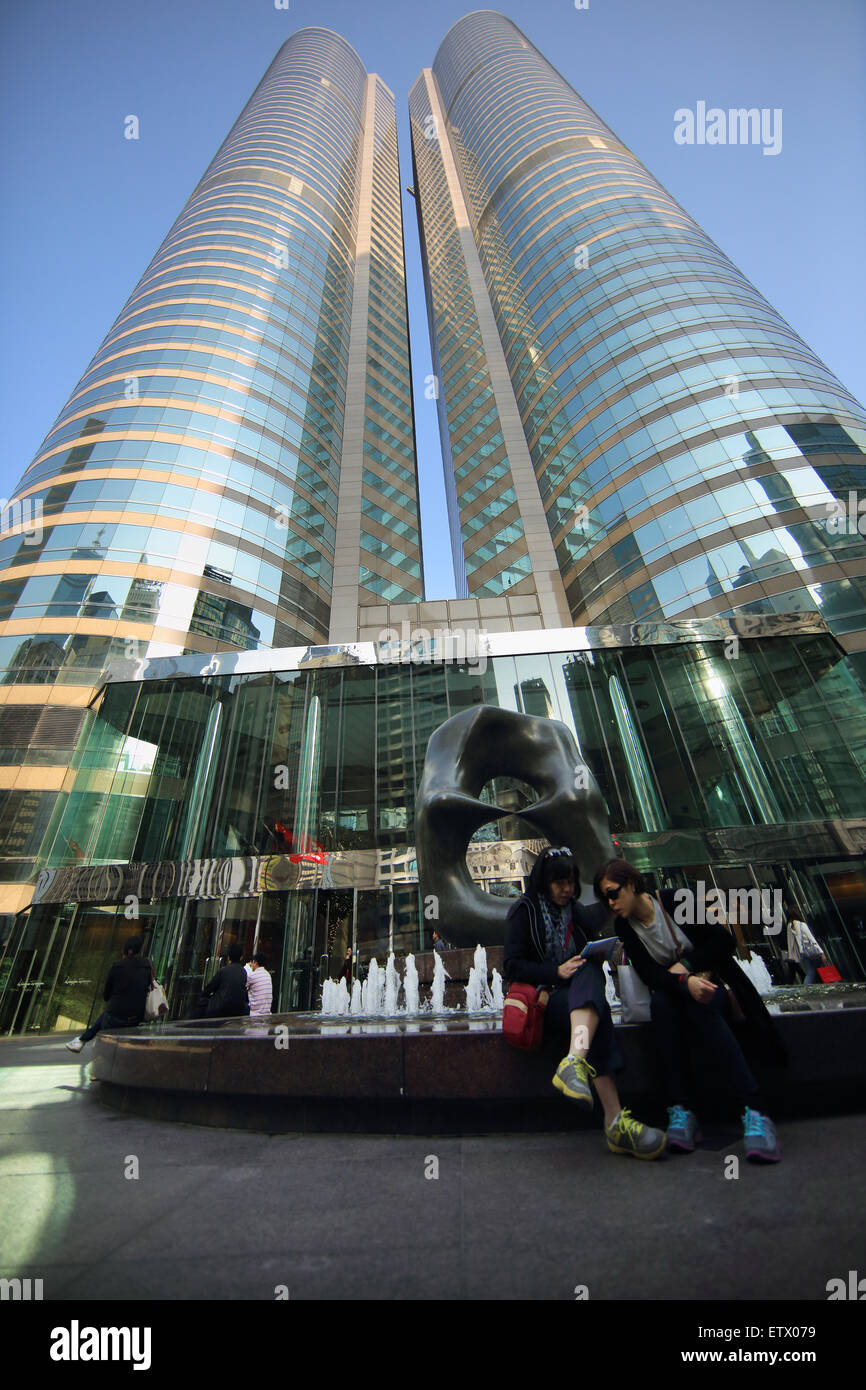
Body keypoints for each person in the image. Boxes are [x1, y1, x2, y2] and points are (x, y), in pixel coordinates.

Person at [595, 859, 786, 1163]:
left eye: (614, 893)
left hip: (715, 985)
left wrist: (686, 968)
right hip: (675, 995)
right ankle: (681, 1110)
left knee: (702, 1007)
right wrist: (685, 984)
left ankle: (755, 1111)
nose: (611, 902)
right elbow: (649, 975)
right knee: (661, 1005)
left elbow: (724, 940)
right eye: (605, 898)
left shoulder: (675, 900)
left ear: (631, 884)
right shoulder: (624, 926)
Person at [504, 846, 666, 1160]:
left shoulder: (575, 911)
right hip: (544, 1000)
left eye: (570, 882)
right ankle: (615, 1122)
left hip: (577, 999)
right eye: (558, 883)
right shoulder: (524, 911)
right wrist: (555, 970)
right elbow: (511, 965)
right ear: (544, 881)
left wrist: (605, 951)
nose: (566, 889)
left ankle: (578, 1065)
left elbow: (593, 941)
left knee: (592, 981)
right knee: (595, 998)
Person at [65, 936, 153, 1052]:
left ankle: (82, 1040)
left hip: (117, 1015)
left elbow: (106, 994)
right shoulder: (147, 965)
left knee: (107, 1016)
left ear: (128, 950)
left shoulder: (117, 966)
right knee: (107, 1016)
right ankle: (81, 1040)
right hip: (137, 1016)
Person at [201, 943, 250, 1018]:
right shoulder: (243, 972)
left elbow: (210, 987)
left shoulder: (224, 970)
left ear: (229, 957)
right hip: (238, 1009)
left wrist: (203, 997)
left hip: (221, 1008)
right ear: (241, 957)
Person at [783, 900, 826, 985]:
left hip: (800, 953)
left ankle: (811, 985)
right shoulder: (802, 924)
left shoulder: (789, 926)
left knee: (811, 970)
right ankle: (807, 986)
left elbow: (790, 942)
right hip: (810, 951)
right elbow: (811, 939)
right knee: (812, 971)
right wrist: (821, 952)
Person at [246, 952, 273, 1016]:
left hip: (255, 1014)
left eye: (252, 962)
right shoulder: (268, 974)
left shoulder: (252, 975)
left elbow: (243, 987)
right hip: (267, 1013)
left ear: (255, 963)